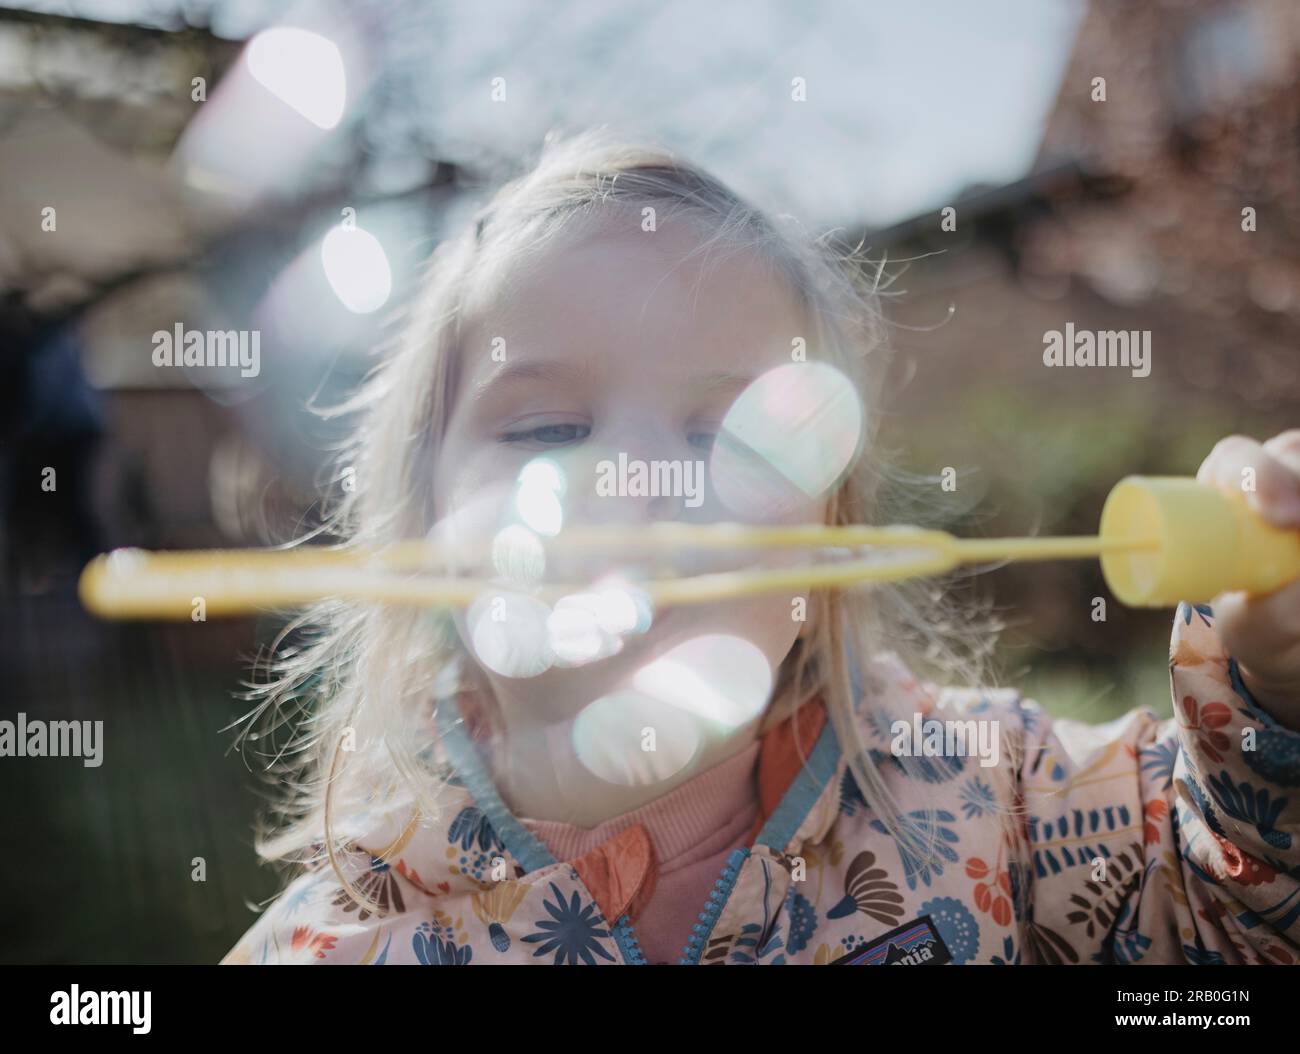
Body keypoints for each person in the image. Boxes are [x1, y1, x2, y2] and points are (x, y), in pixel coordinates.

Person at [221, 129, 1300, 965]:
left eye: (727, 433)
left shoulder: (1003, 801)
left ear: (833, 535)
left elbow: (1235, 923)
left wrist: (1273, 684)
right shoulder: (335, 943)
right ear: (419, 529)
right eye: (547, 426)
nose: (639, 482)